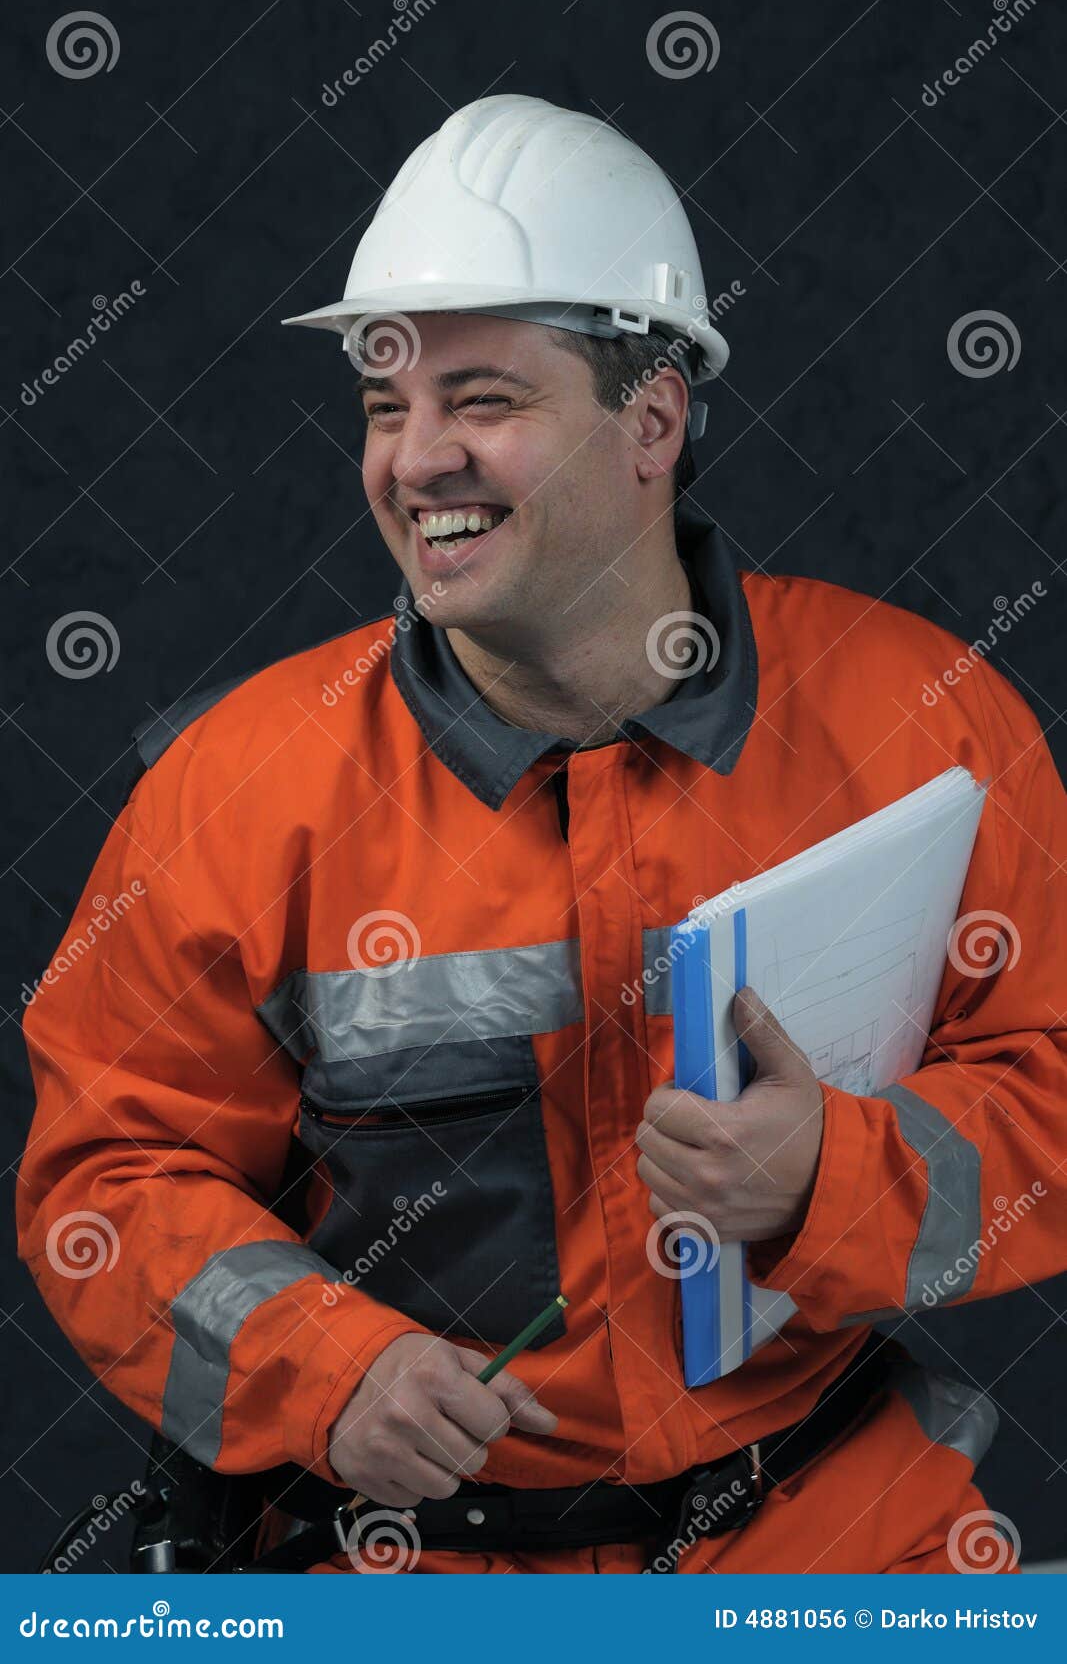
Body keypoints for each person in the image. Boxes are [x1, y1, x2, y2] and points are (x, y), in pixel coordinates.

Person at [17, 94, 1067, 1576]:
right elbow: (109, 1177)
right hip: (417, 1573)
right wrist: (328, 1368)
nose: (415, 460)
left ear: (654, 421)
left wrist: (838, 1176)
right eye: (386, 406)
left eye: (484, 400)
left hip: (838, 1535)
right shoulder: (235, 791)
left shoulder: (921, 719)